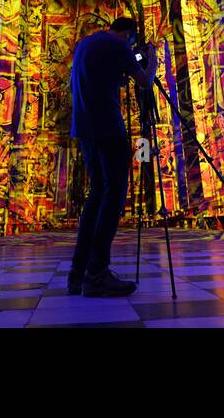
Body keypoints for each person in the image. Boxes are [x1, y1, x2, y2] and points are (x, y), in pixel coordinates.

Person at [68, 16, 158, 297]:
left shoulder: (85, 45)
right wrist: (152, 59)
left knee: (96, 196)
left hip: (84, 128)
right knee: (115, 195)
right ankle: (98, 273)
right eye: (132, 41)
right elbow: (144, 82)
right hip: (108, 127)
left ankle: (78, 274)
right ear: (129, 34)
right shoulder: (119, 45)